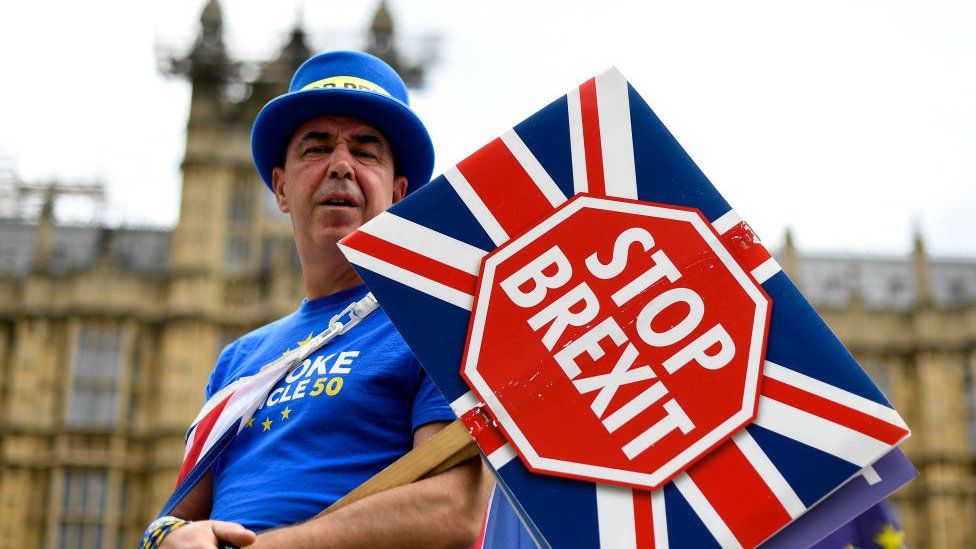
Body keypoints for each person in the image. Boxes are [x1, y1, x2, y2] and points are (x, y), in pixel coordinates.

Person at [151, 50, 491, 548]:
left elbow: (454, 511)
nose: (341, 166)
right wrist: (165, 539)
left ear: (399, 195)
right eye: (316, 148)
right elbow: (172, 520)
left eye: (366, 150)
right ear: (281, 188)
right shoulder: (238, 360)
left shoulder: (440, 319)